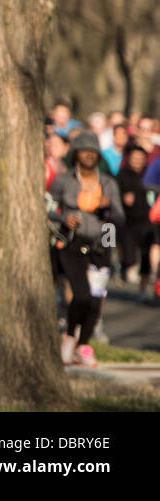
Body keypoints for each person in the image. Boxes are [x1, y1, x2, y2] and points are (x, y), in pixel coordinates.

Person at [48, 133, 123, 367]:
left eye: (94, 151)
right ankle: (70, 336)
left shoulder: (109, 184)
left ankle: (84, 345)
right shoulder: (63, 180)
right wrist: (63, 217)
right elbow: (47, 207)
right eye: (84, 150)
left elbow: (120, 218)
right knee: (82, 295)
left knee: (96, 300)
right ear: (75, 154)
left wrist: (108, 206)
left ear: (99, 155)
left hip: (101, 246)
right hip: (72, 243)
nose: (89, 154)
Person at [114, 142, 156, 293]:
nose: (137, 161)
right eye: (134, 158)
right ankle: (125, 267)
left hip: (147, 219)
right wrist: (123, 197)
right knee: (128, 251)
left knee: (146, 253)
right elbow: (113, 195)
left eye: (140, 158)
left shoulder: (150, 174)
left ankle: (143, 288)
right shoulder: (122, 175)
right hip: (128, 220)